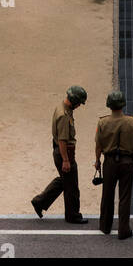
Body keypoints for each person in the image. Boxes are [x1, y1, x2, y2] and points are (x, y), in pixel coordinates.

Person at [31, 84, 89, 224]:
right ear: (74, 101)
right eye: (79, 103)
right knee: (72, 186)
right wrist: (66, 160)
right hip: (65, 153)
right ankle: (72, 215)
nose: (79, 106)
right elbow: (62, 140)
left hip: (60, 151)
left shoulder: (63, 108)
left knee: (65, 181)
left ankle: (40, 202)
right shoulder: (64, 115)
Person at [94, 91, 133, 240]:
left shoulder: (102, 122)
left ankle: (105, 226)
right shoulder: (132, 122)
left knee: (107, 194)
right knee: (125, 196)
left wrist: (97, 161)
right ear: (123, 104)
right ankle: (123, 229)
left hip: (109, 162)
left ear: (109, 105)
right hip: (127, 162)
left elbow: (98, 145)